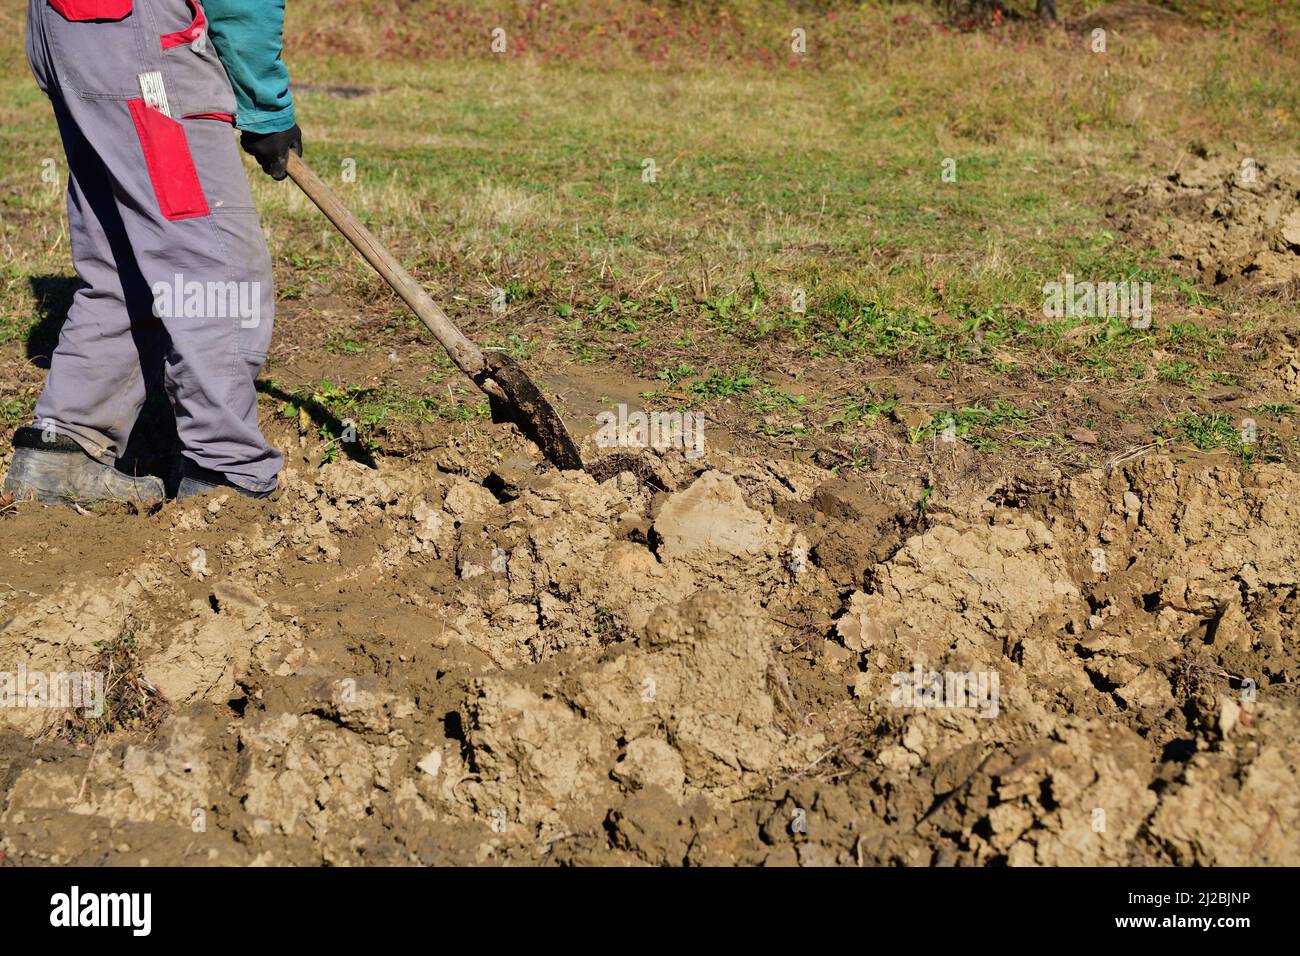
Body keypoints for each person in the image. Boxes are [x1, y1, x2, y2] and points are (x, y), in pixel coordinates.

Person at [4, 0, 301, 506]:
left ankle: (64, 448)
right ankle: (226, 473)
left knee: (122, 255)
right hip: (138, 41)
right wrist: (266, 107)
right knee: (213, 268)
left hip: (64, 29)